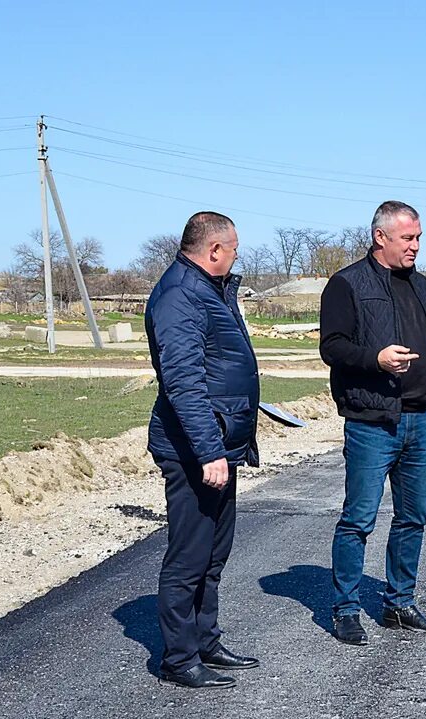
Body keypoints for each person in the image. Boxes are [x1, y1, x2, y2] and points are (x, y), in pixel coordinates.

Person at [319, 200, 426, 646]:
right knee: (358, 520)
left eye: (419, 237)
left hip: (421, 420)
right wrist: (376, 358)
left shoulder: (421, 285)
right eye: (408, 238)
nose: (416, 246)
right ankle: (346, 608)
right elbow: (333, 347)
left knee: (413, 517)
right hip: (372, 421)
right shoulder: (346, 284)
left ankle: (399, 603)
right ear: (380, 237)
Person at [146, 211, 261, 689]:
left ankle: (204, 640)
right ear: (214, 249)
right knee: (189, 557)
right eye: (233, 247)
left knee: (214, 554)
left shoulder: (208, 289)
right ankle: (178, 659)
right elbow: (184, 383)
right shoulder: (180, 296)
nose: (237, 254)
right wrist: (209, 450)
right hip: (195, 450)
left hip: (218, 445)